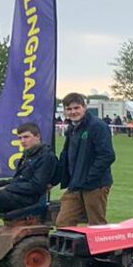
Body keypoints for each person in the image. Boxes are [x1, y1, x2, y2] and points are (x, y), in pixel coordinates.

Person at [55, 93, 115, 227]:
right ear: (64, 111)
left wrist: (89, 177)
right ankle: (74, 248)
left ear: (84, 107)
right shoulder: (72, 128)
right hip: (75, 184)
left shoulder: (97, 126)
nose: (73, 112)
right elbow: (68, 155)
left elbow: (107, 155)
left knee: (96, 224)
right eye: (69, 109)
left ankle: (103, 248)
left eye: (76, 108)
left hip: (95, 185)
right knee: (63, 222)